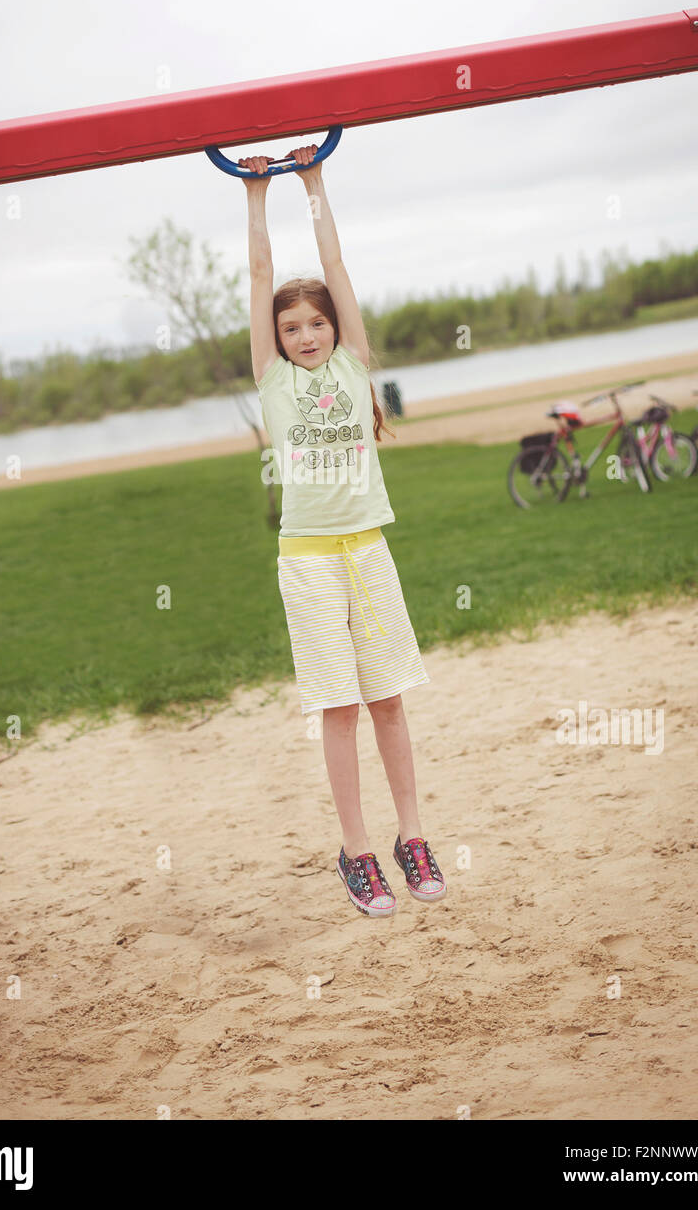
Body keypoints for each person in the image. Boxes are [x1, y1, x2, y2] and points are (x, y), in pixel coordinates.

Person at [241, 140, 446, 918]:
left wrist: (313, 182)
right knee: (340, 707)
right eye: (290, 328)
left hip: (367, 548)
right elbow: (262, 278)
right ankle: (357, 852)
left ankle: (412, 835)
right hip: (308, 560)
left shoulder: (356, 364)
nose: (304, 335)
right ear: (279, 338)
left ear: (333, 327)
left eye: (314, 323)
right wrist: (257, 195)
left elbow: (338, 265)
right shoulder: (274, 381)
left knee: (388, 699)